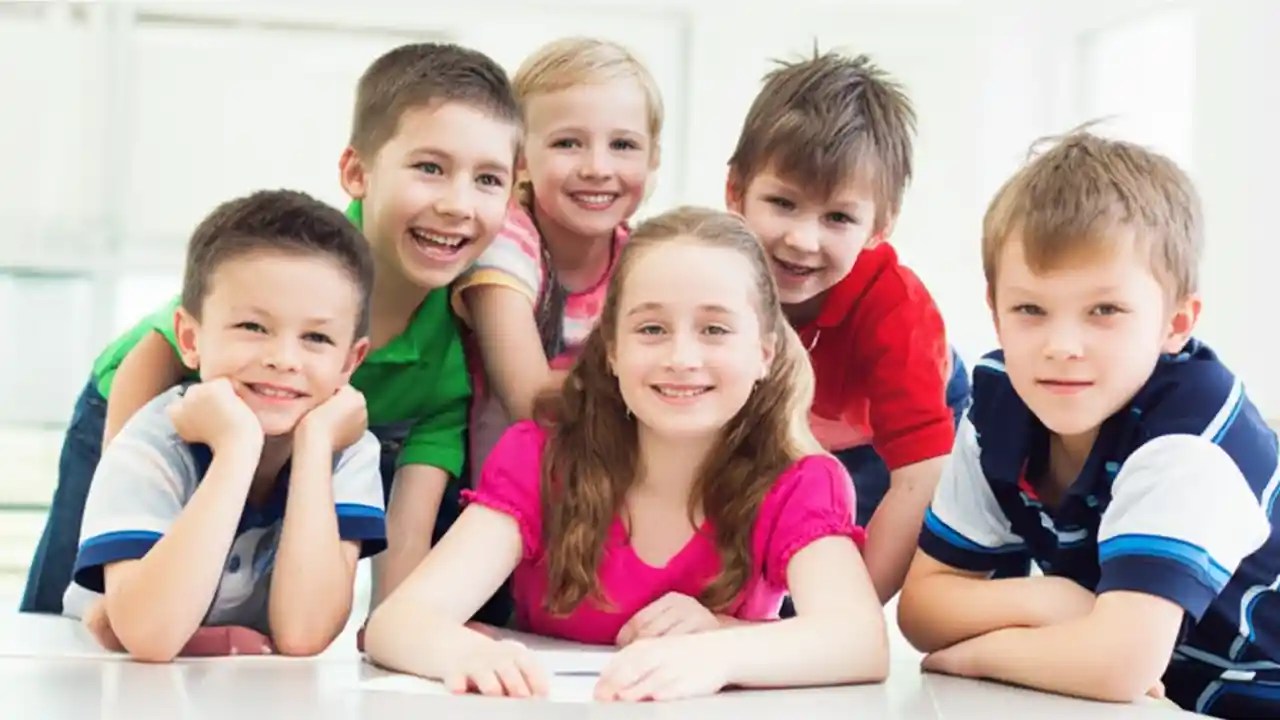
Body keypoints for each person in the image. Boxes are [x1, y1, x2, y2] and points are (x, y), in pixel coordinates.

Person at [24, 43, 522, 626]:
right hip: (142, 414)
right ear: (357, 172)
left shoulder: (451, 355)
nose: (456, 204)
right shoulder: (297, 256)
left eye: (487, 179)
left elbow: (404, 544)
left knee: (235, 613)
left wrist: (403, 627)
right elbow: (155, 353)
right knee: (71, 618)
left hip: (298, 443)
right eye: (429, 168)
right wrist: (125, 533)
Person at [365, 207, 887, 701]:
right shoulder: (543, 460)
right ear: (612, 349)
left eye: (715, 330)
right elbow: (398, 623)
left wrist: (720, 650)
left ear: (764, 353)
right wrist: (464, 651)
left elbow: (860, 641)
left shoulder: (798, 481)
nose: (682, 359)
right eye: (652, 329)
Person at [897, 131, 1279, 720]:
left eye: (1105, 311)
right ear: (994, 313)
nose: (1062, 346)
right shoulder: (1001, 404)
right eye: (1030, 309)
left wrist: (974, 656)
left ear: (1175, 322)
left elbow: (1118, 665)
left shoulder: (1189, 439)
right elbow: (922, 607)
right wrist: (1060, 603)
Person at [72, 189, 387, 662]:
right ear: (190, 338)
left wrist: (316, 445)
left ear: (351, 361)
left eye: (317, 337)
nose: (283, 359)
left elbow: (304, 635)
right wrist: (237, 447)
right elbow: (149, 637)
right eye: (253, 328)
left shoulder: (347, 449)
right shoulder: (151, 442)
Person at [725, 50, 970, 602]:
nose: (803, 240)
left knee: (835, 583)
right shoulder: (717, 272)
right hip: (792, 418)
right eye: (782, 203)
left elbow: (921, 475)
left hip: (892, 436)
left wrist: (850, 615)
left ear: (880, 224)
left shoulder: (896, 310)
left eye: (837, 217)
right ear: (735, 192)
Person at [452, 37, 663, 486]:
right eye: (568, 143)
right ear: (520, 159)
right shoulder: (505, 239)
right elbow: (529, 398)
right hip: (499, 498)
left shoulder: (644, 261)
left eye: (623, 145)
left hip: (601, 492)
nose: (597, 167)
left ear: (654, 157)